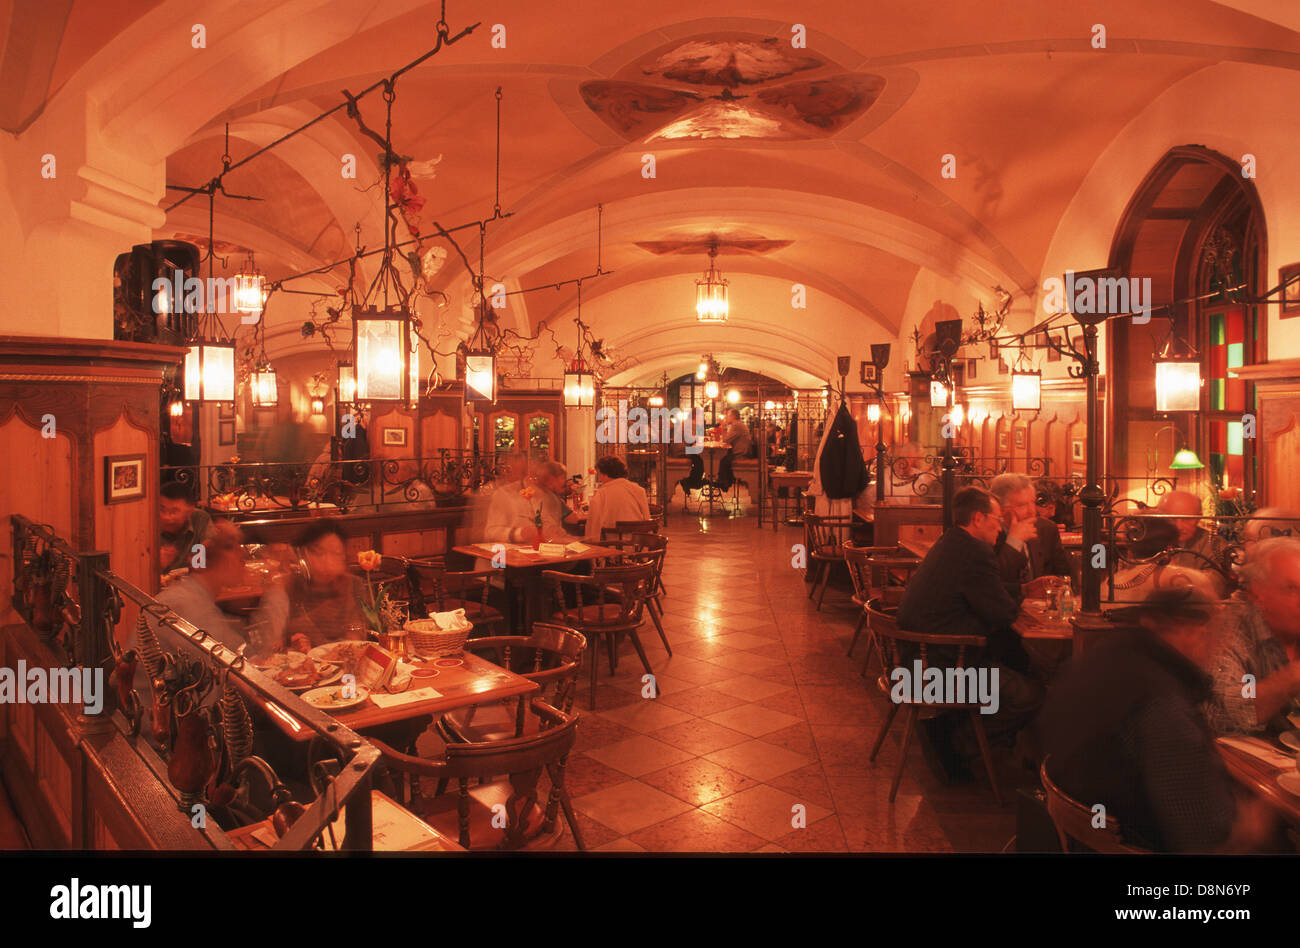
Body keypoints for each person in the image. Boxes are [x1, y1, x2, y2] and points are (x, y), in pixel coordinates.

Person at [1035, 586, 1273, 852]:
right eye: (1218, 635)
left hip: (1078, 838)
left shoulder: (1103, 658)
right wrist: (1259, 821)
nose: (1218, 646)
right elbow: (1207, 837)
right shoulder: (1161, 705)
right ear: (1193, 631)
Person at [896, 487, 1044, 778]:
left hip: (917, 662)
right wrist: (1022, 602)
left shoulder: (952, 542)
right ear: (978, 518)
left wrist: (1023, 590)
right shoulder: (975, 553)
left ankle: (953, 733)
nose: (1000, 526)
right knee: (1031, 694)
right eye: (996, 519)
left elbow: (979, 592)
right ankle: (953, 743)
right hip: (943, 671)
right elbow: (1002, 613)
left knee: (1016, 661)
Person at [1206, 537, 1300, 735]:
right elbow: (1226, 712)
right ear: (1258, 593)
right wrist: (1290, 679)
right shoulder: (1232, 633)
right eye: (1292, 589)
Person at [251, 518, 369, 653]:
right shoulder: (287, 588)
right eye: (319, 553)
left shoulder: (354, 586)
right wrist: (292, 648)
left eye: (336, 554)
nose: (327, 562)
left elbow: (356, 641)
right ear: (303, 555)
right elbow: (270, 649)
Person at [988, 473, 1071, 602]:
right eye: (1022, 505)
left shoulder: (1047, 529)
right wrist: (1014, 541)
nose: (1032, 511)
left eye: (1032, 502)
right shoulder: (987, 533)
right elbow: (991, 585)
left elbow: (1064, 576)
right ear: (1001, 509)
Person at [584, 456, 651, 540]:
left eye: (600, 474)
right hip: (637, 545)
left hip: (610, 546)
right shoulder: (639, 490)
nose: (600, 478)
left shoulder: (601, 494)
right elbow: (647, 520)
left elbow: (593, 525)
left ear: (605, 474)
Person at [1158, 490, 1225, 571]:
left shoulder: (1215, 546)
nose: (1179, 527)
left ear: (1199, 517)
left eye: (1187, 519)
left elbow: (1215, 581)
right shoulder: (1146, 540)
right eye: (1172, 519)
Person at [160, 481, 213, 576]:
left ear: (189, 511)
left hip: (191, 585)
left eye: (174, 511)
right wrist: (155, 565)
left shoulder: (200, 519)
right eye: (162, 509)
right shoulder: (147, 525)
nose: (166, 517)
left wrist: (204, 555)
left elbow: (209, 550)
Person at [714, 408, 751, 492]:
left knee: (721, 459)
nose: (726, 417)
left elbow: (725, 441)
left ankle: (724, 483)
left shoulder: (736, 425)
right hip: (742, 452)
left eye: (727, 415)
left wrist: (723, 427)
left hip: (740, 455)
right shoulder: (738, 425)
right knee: (722, 458)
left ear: (733, 416)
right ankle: (724, 481)